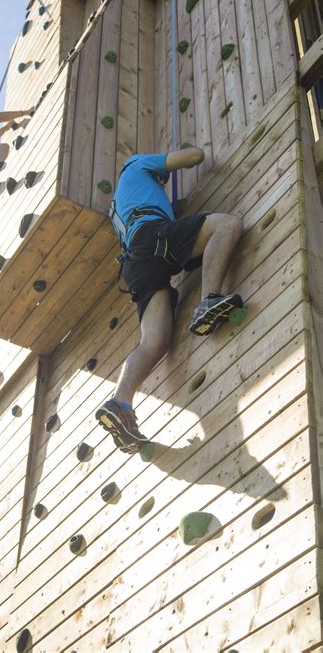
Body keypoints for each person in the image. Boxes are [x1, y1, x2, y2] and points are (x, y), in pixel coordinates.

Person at [95, 149, 243, 453]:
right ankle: (207, 301)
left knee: (154, 341)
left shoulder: (120, 205)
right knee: (226, 225)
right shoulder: (134, 165)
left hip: (136, 265)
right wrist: (168, 165)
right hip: (152, 237)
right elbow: (195, 155)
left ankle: (121, 403)